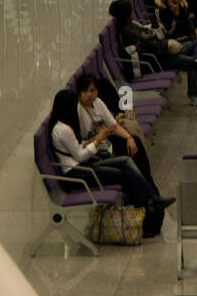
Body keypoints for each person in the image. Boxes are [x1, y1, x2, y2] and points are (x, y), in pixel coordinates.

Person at [48, 89, 174, 218]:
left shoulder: (64, 126)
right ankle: (144, 206)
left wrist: (91, 141)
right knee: (122, 175)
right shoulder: (63, 130)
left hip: (83, 167)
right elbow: (79, 156)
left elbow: (76, 149)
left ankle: (152, 198)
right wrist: (98, 140)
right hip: (77, 174)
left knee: (125, 161)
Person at [75, 73, 158, 190]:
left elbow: (113, 125)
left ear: (97, 91)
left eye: (92, 90)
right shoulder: (77, 111)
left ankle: (151, 190)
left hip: (106, 144)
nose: (89, 94)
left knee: (135, 143)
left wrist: (129, 138)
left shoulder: (98, 102)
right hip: (94, 153)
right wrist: (99, 137)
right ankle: (150, 196)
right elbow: (80, 145)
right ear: (79, 93)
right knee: (127, 165)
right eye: (85, 91)